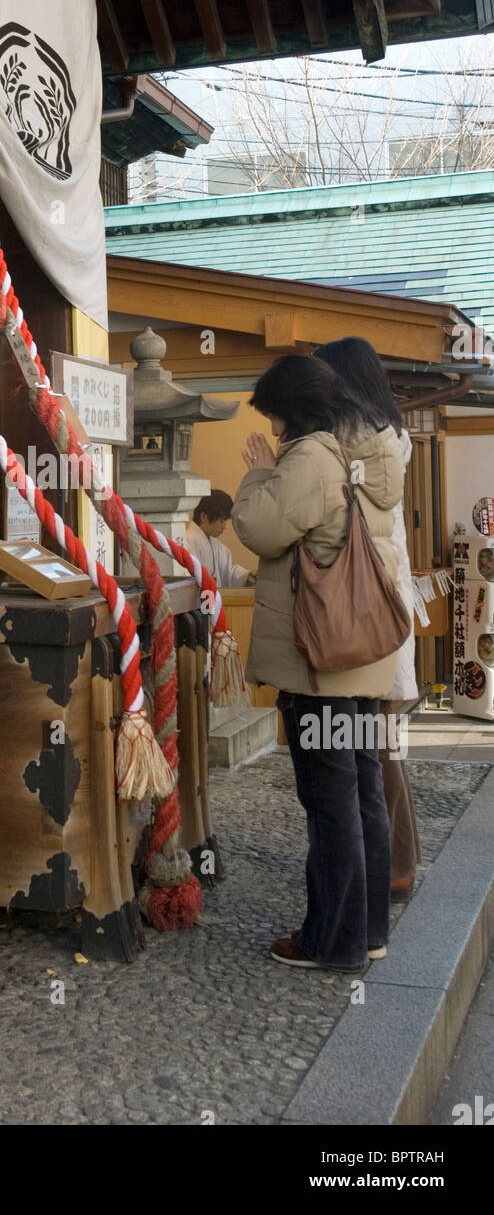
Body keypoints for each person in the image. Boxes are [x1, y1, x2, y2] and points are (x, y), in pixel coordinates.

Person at [232, 354, 404, 970]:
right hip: (361, 663)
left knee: (330, 804)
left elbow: (258, 528)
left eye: (273, 413)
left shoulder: (308, 458)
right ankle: (370, 932)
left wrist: (257, 475)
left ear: (293, 408)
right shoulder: (372, 460)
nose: (272, 426)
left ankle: (334, 943)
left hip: (319, 668)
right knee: (362, 797)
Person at [314, 336, 422, 903]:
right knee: (384, 746)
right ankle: (399, 866)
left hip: (362, 609)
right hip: (387, 605)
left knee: (372, 752)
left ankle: (390, 872)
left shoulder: (350, 437)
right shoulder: (391, 432)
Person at [185, 491, 251, 588]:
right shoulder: (187, 541)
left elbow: (229, 573)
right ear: (204, 517)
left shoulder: (217, 546)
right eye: (221, 521)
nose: (223, 526)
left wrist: (249, 576)